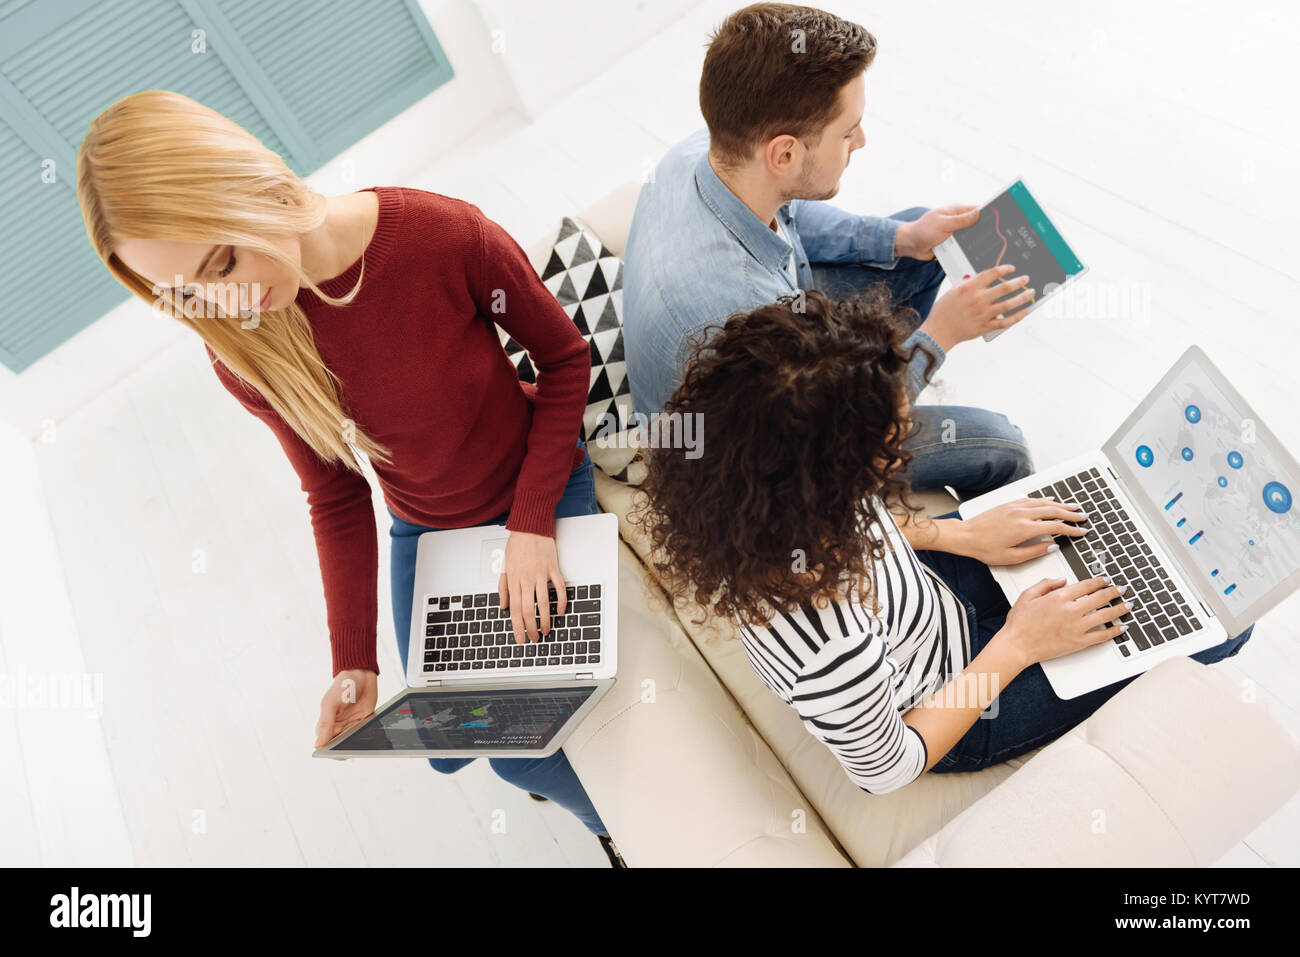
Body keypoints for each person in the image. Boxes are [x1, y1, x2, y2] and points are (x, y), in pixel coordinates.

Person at [76, 89, 624, 865]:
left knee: (513, 749)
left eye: (222, 261)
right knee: (448, 748)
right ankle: (561, 777)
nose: (225, 302)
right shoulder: (242, 347)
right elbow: (335, 492)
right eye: (190, 294)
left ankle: (619, 826)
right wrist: (351, 660)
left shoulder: (441, 234)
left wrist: (530, 523)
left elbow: (566, 358)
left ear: (253, 180)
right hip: (425, 527)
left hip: (536, 484)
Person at [632, 288, 1251, 793]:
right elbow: (890, 766)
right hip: (960, 704)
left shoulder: (786, 498)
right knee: (1224, 621)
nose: (905, 446)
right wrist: (1017, 645)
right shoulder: (829, 649)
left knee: (1118, 535)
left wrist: (965, 537)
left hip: (931, 600)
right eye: (891, 446)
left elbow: (875, 529)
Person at [624, 2, 1036, 499]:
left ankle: (873, 371)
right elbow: (816, 447)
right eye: (847, 131)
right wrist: (942, 334)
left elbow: (793, 213)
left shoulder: (715, 148)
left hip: (767, 356)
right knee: (1005, 447)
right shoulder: (743, 317)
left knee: (917, 242)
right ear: (784, 153)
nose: (861, 141)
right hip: (755, 452)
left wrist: (900, 239)